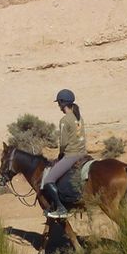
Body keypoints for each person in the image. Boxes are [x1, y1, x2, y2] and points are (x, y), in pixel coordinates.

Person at [39, 89, 86, 219]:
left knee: (48, 180)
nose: (58, 106)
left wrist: (60, 154)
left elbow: (64, 143)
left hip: (72, 155)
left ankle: (61, 208)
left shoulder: (65, 120)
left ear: (62, 102)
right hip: (83, 153)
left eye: (58, 103)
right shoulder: (79, 117)